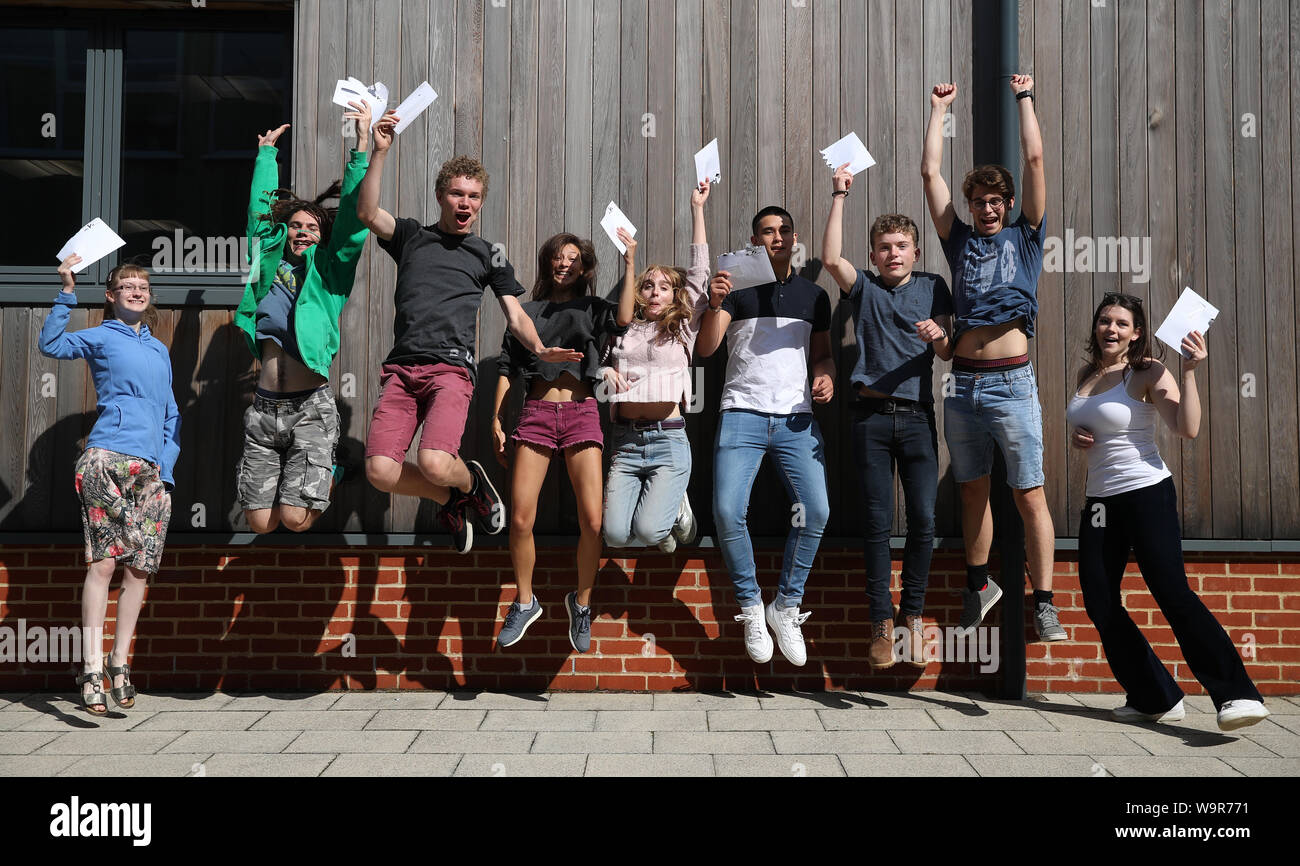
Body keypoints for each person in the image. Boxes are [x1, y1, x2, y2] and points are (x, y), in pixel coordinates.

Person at [356, 110, 580, 554]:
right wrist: (378, 151)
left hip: (451, 370)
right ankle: (452, 498)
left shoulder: (487, 254)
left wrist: (539, 348)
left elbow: (515, 315)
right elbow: (365, 212)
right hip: (401, 370)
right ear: (441, 196)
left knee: (436, 460)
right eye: (457, 193)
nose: (465, 203)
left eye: (474, 196)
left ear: (481, 202)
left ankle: (472, 482)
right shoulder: (410, 236)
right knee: (380, 471)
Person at [1067, 294, 1269, 731]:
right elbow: (1096, 431)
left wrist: (1190, 371)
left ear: (1137, 332)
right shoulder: (1088, 374)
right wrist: (1079, 440)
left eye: (1122, 323)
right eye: (1105, 321)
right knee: (1099, 601)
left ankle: (1237, 695)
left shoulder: (1147, 371)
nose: (1111, 329)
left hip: (1145, 493)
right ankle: (1153, 695)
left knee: (1171, 593)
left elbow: (1186, 427)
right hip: (1100, 501)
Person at [921, 75, 1066, 642]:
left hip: (1011, 382)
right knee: (971, 489)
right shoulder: (958, 241)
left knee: (1029, 492)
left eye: (994, 201)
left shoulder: (1026, 237)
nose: (986, 209)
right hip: (961, 384)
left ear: (1007, 205)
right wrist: (938, 111)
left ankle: (1045, 600)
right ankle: (979, 584)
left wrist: (1025, 97)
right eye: (978, 201)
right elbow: (930, 175)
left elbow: (1034, 158)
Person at [822, 163, 954, 670]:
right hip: (870, 420)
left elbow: (946, 354)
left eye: (901, 246)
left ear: (915, 252)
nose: (892, 254)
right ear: (875, 254)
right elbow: (832, 258)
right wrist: (839, 193)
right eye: (884, 247)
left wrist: (937, 337)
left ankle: (913, 617)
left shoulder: (934, 285)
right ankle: (881, 621)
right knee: (877, 524)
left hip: (919, 418)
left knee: (923, 519)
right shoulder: (867, 290)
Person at [696, 205, 835, 667]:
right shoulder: (736, 289)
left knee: (816, 510)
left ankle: (787, 606)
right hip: (742, 415)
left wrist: (826, 377)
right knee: (726, 510)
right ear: (755, 241)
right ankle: (752, 607)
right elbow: (707, 349)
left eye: (784, 230)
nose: (777, 237)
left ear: (795, 237)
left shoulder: (815, 296)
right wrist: (715, 304)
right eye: (767, 232)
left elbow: (822, 357)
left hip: (797, 420)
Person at [41, 256, 180, 715]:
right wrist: (66, 291)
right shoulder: (101, 336)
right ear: (111, 295)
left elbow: (171, 415)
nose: (137, 292)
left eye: (143, 286)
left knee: (140, 569)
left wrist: (168, 468)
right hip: (106, 461)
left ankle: (121, 664)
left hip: (152, 473)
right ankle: (91, 667)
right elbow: (52, 344)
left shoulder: (160, 350)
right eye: (127, 286)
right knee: (104, 564)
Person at [232, 102, 372, 534]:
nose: (302, 233)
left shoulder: (329, 276)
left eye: (312, 228)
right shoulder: (266, 268)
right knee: (259, 523)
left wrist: (361, 148)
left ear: (320, 237)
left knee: (295, 520)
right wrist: (266, 156)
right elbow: (259, 217)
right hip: (263, 407)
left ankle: (334, 467)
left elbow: (352, 223)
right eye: (295, 226)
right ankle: (317, 473)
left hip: (310, 408)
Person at [491, 233, 627, 653]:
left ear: (584, 266)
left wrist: (630, 259)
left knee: (593, 522)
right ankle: (525, 601)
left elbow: (623, 318)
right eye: (556, 257)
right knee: (520, 519)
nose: (563, 264)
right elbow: (507, 367)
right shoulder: (526, 312)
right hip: (535, 414)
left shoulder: (594, 309)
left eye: (572, 258)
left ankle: (581, 603)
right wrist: (495, 419)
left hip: (582, 413)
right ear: (547, 263)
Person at [601, 178, 712, 555]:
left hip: (668, 438)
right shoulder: (622, 329)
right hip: (626, 441)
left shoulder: (682, 327)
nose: (654, 292)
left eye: (664, 287)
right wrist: (604, 373)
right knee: (615, 536)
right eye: (648, 285)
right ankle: (664, 515)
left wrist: (697, 209)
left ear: (674, 295)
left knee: (649, 535)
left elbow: (699, 275)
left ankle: (672, 511)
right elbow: (597, 368)